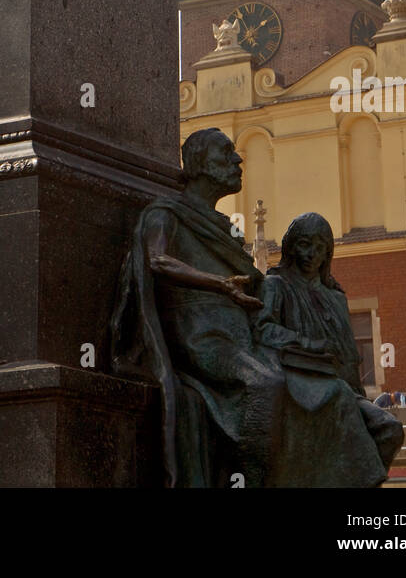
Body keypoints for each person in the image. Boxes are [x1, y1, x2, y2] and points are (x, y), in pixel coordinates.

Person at [112, 128, 288, 487]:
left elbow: (253, 281)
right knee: (266, 383)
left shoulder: (225, 228)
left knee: (312, 387)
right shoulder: (165, 214)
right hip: (198, 336)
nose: (237, 160)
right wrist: (218, 283)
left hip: (236, 334)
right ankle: (252, 479)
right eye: (225, 153)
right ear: (197, 164)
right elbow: (157, 260)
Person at [254, 212, 404, 486]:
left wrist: (360, 395)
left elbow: (348, 356)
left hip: (342, 387)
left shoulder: (335, 297)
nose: (311, 254)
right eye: (304, 245)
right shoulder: (275, 285)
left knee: (389, 428)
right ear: (291, 247)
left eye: (319, 247)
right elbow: (262, 329)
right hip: (299, 385)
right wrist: (305, 342)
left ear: (327, 253)